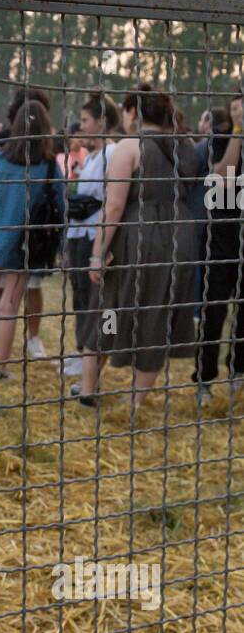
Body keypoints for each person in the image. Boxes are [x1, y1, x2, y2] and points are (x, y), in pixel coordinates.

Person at [79, 84, 201, 410]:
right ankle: (135, 404)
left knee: (109, 306)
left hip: (137, 238)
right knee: (157, 312)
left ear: (133, 112)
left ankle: (88, 391)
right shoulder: (185, 144)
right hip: (180, 238)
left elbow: (114, 206)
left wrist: (96, 254)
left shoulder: (129, 146)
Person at [0, 101, 64, 379]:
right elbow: (61, 209)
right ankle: (0, 368)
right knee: (9, 306)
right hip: (23, 244)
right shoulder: (49, 166)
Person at [62, 92, 119, 378]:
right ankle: (80, 348)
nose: (81, 126)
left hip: (93, 235)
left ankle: (89, 349)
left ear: (101, 122)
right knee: (79, 294)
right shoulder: (92, 155)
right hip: (78, 232)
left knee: (93, 298)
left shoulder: (111, 154)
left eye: (86, 120)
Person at [192, 91, 244, 405]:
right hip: (220, 241)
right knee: (213, 314)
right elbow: (223, 178)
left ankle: (238, 372)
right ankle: (204, 380)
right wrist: (238, 132)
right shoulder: (220, 139)